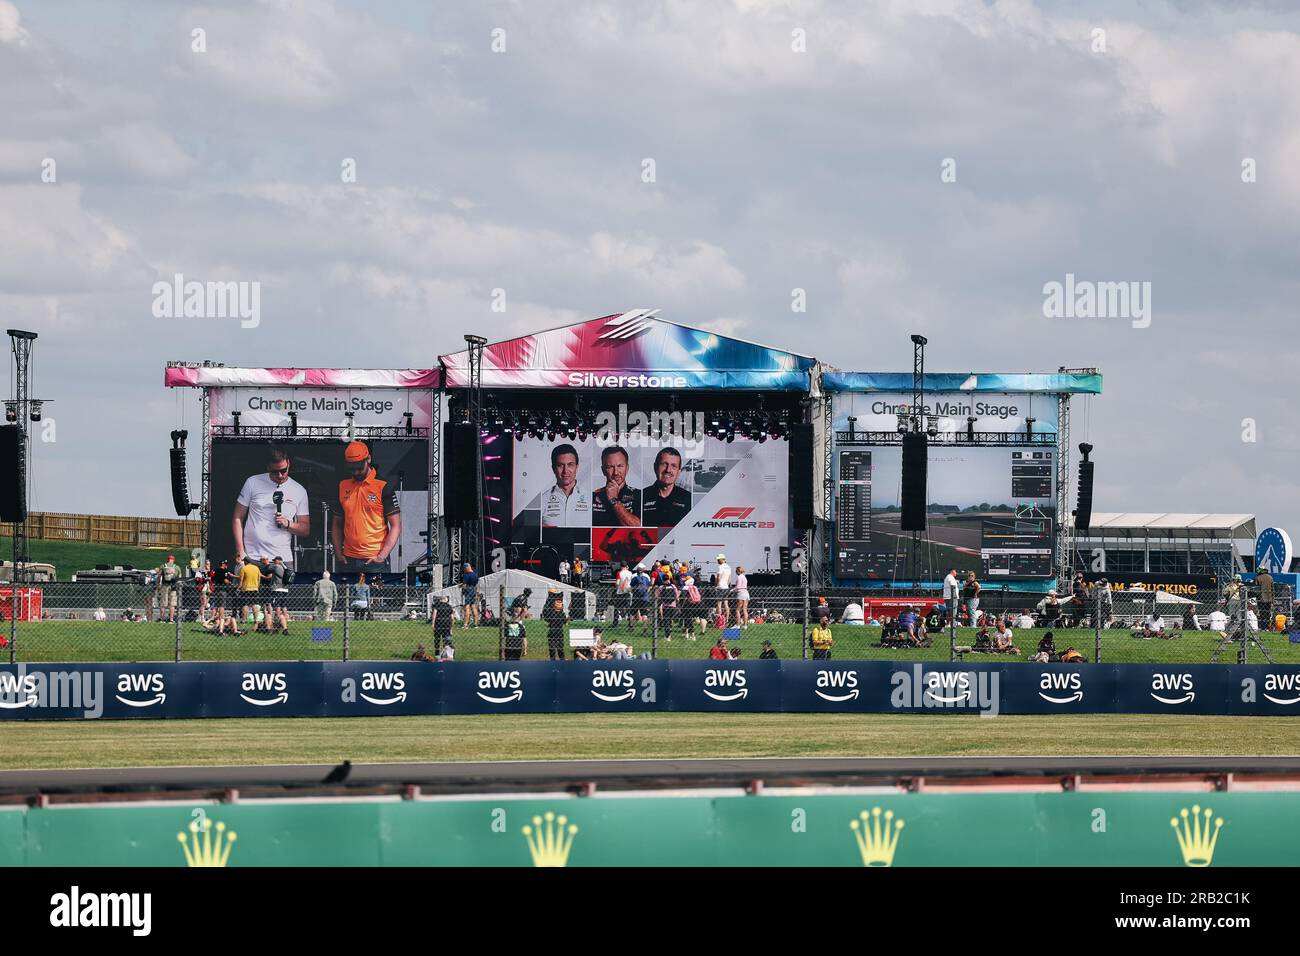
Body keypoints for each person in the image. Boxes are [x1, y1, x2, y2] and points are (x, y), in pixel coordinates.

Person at [232, 446, 311, 571]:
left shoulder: (299, 490)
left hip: (282, 559)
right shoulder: (252, 482)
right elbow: (237, 517)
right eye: (275, 472)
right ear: (268, 467)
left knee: (282, 585)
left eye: (283, 470)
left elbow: (305, 530)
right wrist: (240, 552)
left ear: (289, 463)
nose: (280, 475)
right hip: (251, 557)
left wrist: (288, 523)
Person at [333, 441, 401, 573]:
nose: (356, 472)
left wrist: (382, 556)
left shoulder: (382, 486)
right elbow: (336, 524)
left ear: (368, 459)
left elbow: (396, 526)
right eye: (352, 468)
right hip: (348, 560)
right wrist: (338, 554)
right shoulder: (342, 485)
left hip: (375, 561)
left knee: (378, 589)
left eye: (359, 467)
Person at [640, 447, 692, 528]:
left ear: (678, 472)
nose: (668, 470)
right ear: (655, 467)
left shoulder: (689, 499)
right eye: (664, 464)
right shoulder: (641, 497)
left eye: (673, 466)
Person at [541, 443, 591, 528]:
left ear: (576, 467)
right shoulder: (542, 501)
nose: (565, 471)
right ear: (553, 468)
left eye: (570, 465)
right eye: (560, 465)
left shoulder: (590, 499)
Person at [592, 445, 641, 526]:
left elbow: (637, 527)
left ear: (627, 468)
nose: (615, 472)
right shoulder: (593, 497)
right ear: (603, 470)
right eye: (610, 467)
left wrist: (613, 500)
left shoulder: (639, 495)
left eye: (620, 466)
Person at [265, 556, 291, 634]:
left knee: (277, 605)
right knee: (284, 606)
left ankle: (277, 619)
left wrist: (267, 563)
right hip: (285, 589)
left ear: (279, 561)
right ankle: (285, 620)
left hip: (277, 589)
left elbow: (266, 569)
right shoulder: (286, 568)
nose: (274, 562)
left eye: (275, 560)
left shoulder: (276, 566)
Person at [541, 588, 567, 660]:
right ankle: (561, 659)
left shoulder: (550, 604)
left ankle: (554, 659)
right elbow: (565, 622)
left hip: (553, 630)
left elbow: (546, 616)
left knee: (553, 647)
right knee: (560, 647)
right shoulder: (562, 613)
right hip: (558, 631)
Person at [237, 556, 262, 625]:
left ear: (246, 561)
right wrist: (257, 587)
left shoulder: (244, 568)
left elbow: (241, 580)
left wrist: (239, 588)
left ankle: (244, 620)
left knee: (245, 605)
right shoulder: (256, 568)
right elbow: (259, 579)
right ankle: (256, 620)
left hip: (246, 589)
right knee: (254, 604)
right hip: (255, 589)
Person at [159, 554, 182, 624]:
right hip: (173, 587)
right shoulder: (177, 567)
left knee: (163, 603)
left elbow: (159, 576)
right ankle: (171, 619)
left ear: (167, 559)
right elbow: (179, 577)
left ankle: (162, 619)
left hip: (164, 586)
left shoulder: (163, 566)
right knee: (172, 604)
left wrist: (158, 585)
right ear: (174, 560)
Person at [714, 553, 733, 627]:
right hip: (726, 587)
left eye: (719, 559)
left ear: (723, 559)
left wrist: (717, 585)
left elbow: (718, 577)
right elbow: (729, 578)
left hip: (720, 587)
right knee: (726, 604)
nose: (718, 561)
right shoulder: (728, 567)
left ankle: (719, 621)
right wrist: (727, 584)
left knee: (719, 604)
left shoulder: (720, 567)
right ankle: (726, 620)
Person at [614, 562, 633, 626]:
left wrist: (616, 588)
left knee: (617, 607)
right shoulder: (630, 573)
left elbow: (617, 583)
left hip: (620, 592)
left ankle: (615, 622)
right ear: (626, 566)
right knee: (628, 608)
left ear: (620, 566)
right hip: (627, 591)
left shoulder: (619, 573)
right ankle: (630, 623)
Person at [461, 563, 480, 628]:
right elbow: (476, 584)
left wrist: (462, 590)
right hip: (473, 590)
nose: (464, 570)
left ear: (466, 568)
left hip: (468, 591)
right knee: (473, 607)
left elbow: (464, 585)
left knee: (467, 607)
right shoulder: (475, 575)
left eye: (464, 568)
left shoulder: (466, 575)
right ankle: (475, 624)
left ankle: (465, 624)